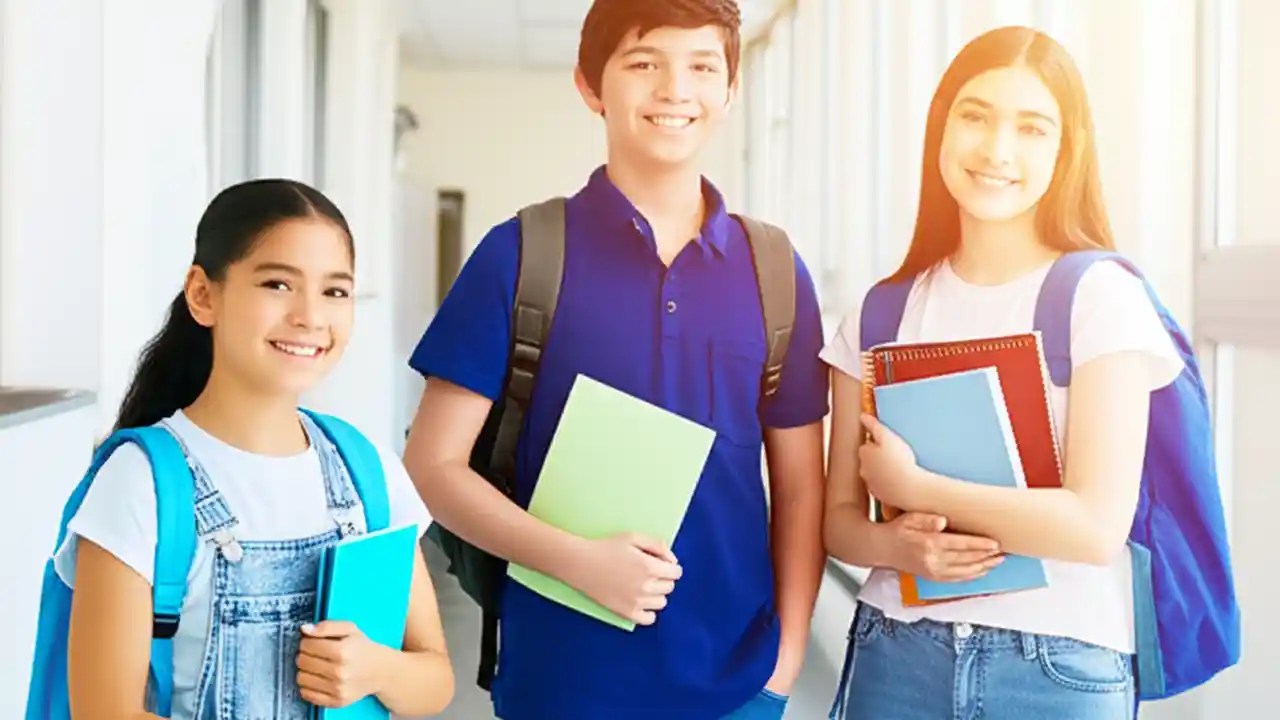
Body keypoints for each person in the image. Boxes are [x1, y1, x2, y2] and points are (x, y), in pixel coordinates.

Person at [402, 1, 829, 718]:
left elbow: (799, 489)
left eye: (701, 66)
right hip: (560, 680)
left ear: (731, 89)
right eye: (643, 63)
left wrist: (783, 668)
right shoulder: (521, 255)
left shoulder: (775, 270)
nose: (674, 90)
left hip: (737, 686)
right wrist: (577, 561)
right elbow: (432, 465)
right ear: (590, 84)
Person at [822, 26, 1187, 719]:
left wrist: (920, 489)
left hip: (1056, 669)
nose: (996, 150)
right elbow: (839, 525)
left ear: (1067, 150)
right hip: (898, 653)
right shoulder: (881, 313)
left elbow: (1093, 527)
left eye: (1031, 128)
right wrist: (897, 546)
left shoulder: (1101, 297)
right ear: (941, 128)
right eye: (975, 116)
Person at [56, 179, 455, 719]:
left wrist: (375, 670)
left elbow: (435, 681)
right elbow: (104, 713)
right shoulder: (141, 482)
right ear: (202, 294)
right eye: (277, 284)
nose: (311, 316)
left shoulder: (369, 473)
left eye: (335, 291)